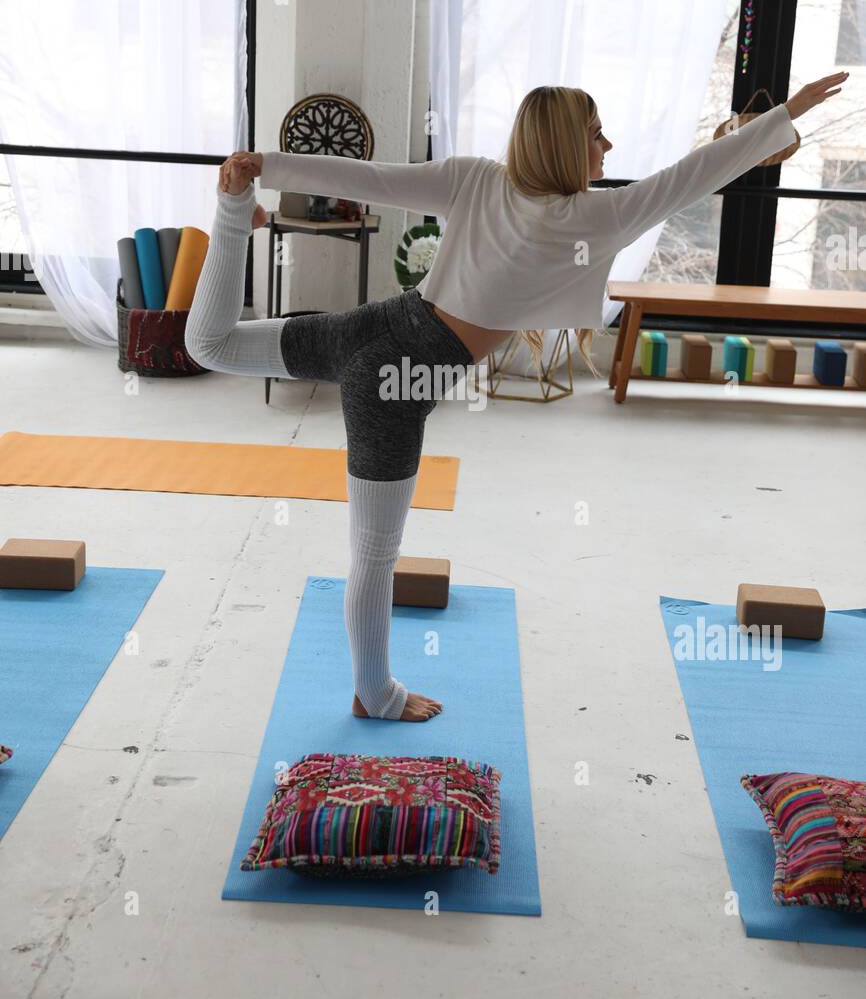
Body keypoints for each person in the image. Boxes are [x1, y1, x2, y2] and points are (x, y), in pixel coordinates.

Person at [186, 71, 848, 721]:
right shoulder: (601, 215)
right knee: (374, 555)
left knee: (210, 346)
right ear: (563, 143)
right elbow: (693, 177)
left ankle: (232, 211)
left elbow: (373, 180)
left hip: (375, 330)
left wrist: (260, 167)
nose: (607, 148)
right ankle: (376, 695)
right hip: (391, 386)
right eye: (596, 134)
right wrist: (782, 117)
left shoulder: (477, 180)